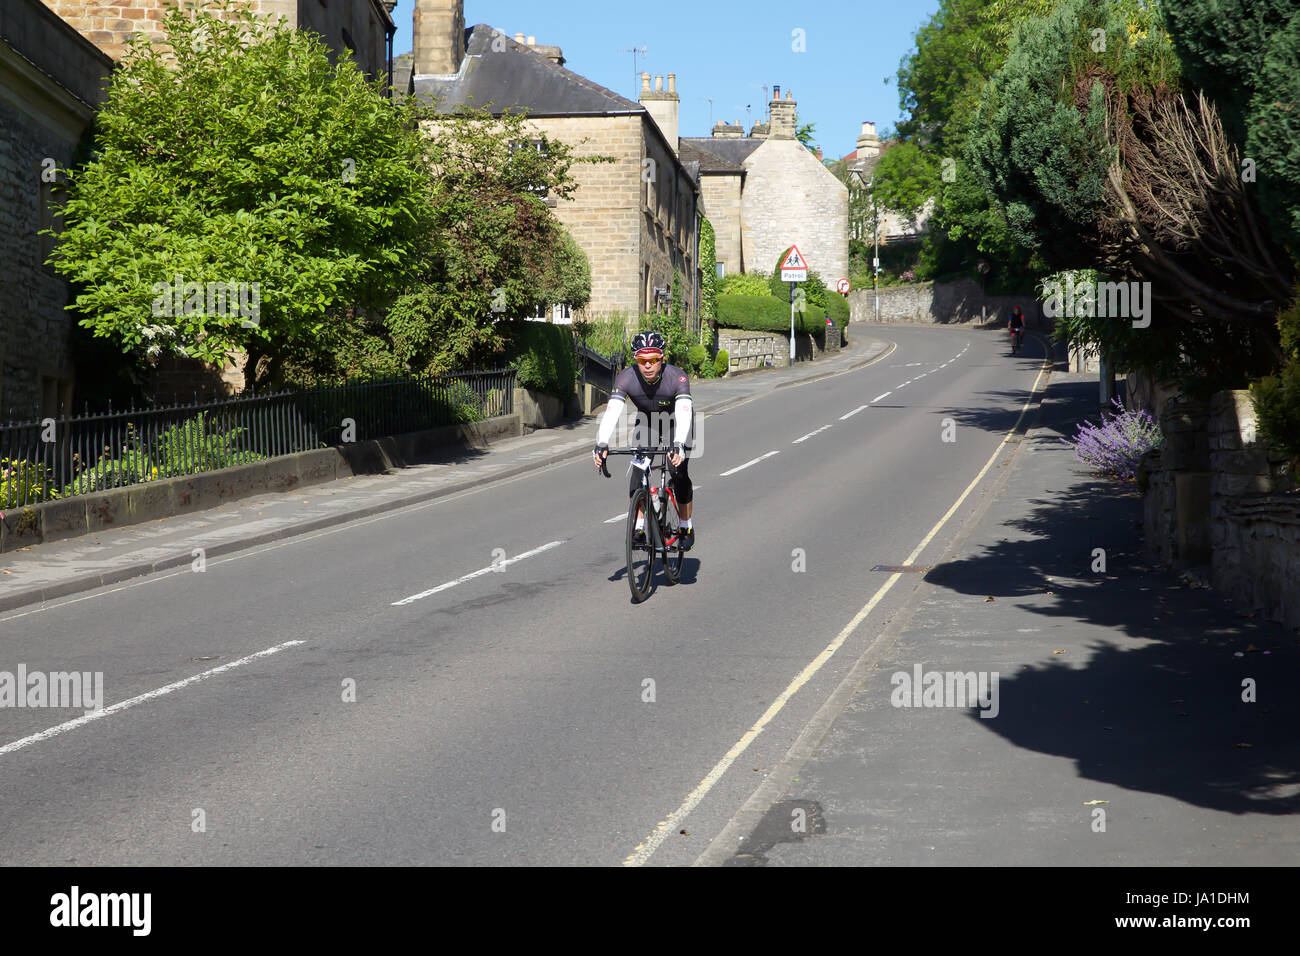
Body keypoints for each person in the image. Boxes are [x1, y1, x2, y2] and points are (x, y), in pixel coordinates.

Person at [592, 331, 695, 550]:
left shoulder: (678, 377)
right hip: (647, 422)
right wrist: (601, 442)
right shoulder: (626, 378)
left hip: (676, 421)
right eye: (641, 360)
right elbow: (612, 412)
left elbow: (685, 411)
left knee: (677, 470)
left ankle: (686, 525)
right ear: (636, 360)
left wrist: (678, 444)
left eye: (653, 360)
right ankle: (639, 527)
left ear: (662, 358)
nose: (647, 365)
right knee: (638, 470)